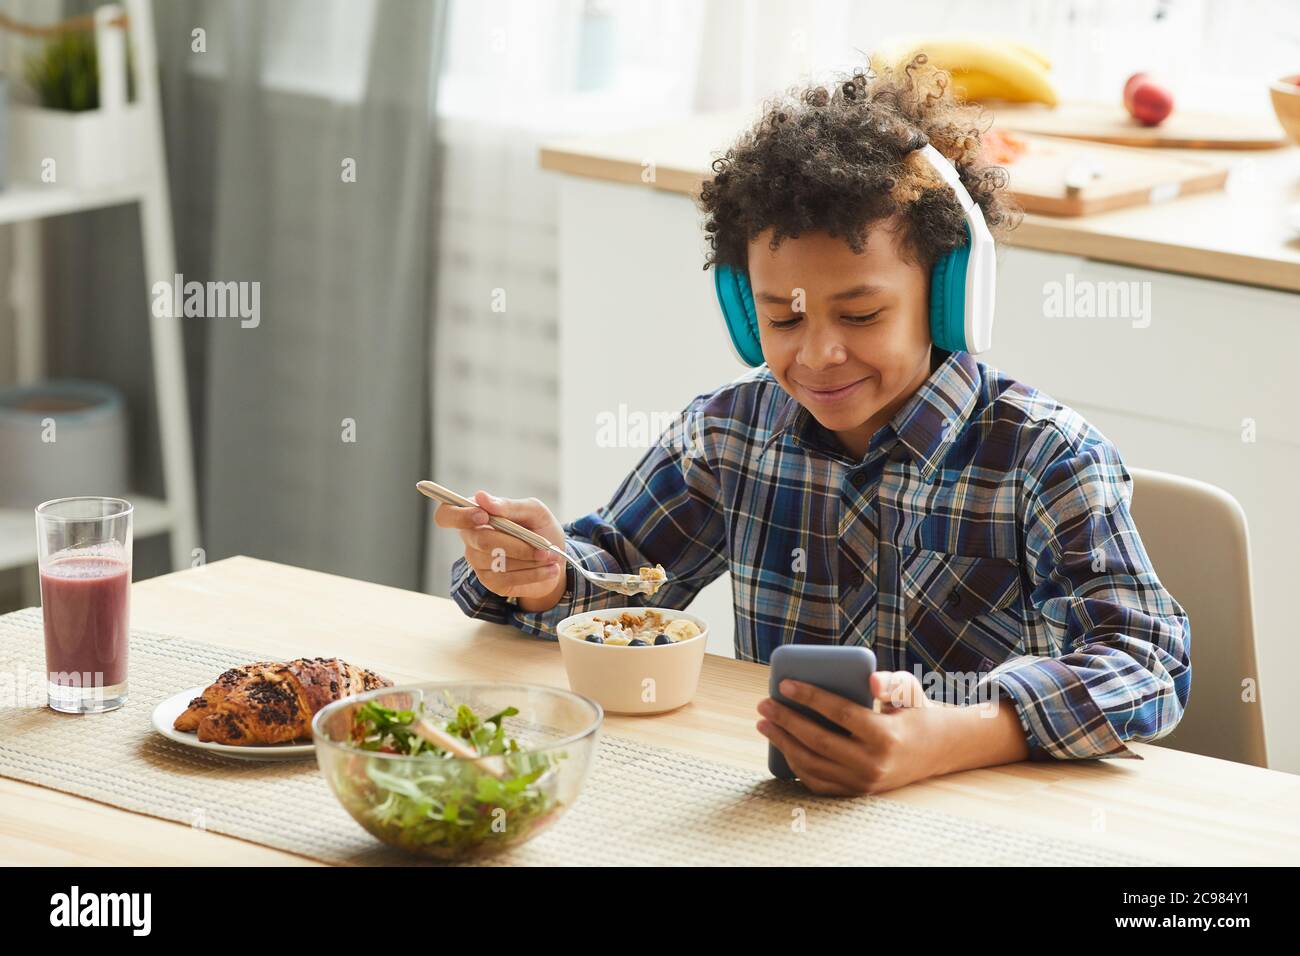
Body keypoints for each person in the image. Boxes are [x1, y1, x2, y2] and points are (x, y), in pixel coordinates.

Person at [440, 55, 1190, 796]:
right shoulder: (727, 436)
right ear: (744, 309)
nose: (819, 354)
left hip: (974, 812)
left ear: (951, 293)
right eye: (781, 317)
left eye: (861, 314)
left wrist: (949, 736)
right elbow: (623, 581)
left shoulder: (1045, 458)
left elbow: (1145, 658)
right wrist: (545, 576)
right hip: (780, 811)